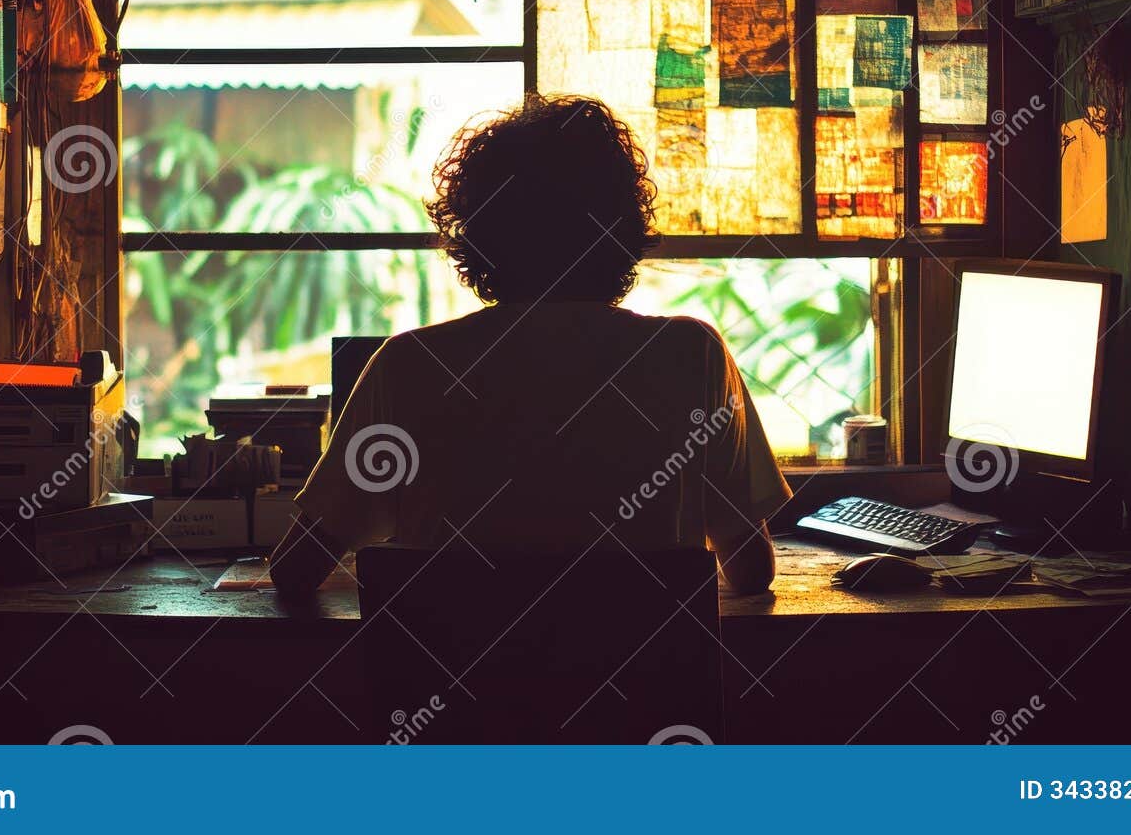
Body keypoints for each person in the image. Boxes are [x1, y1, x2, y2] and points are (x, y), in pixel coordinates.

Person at [269, 95, 789, 595]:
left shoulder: (407, 367)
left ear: (475, 238)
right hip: (638, 683)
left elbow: (295, 572)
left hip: (458, 682)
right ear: (622, 228)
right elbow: (750, 572)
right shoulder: (690, 355)